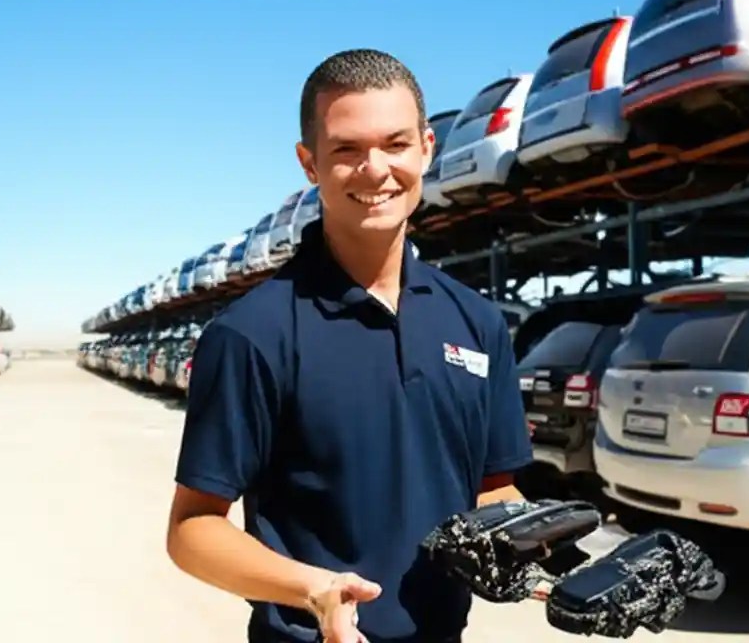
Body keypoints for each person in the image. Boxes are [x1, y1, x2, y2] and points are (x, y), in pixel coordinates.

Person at [166, 49, 534, 643]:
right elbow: (192, 529)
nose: (375, 170)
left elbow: (496, 491)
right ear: (308, 164)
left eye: (395, 144)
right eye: (346, 150)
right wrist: (313, 591)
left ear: (427, 147)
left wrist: (548, 555)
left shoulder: (478, 324)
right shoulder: (253, 333)